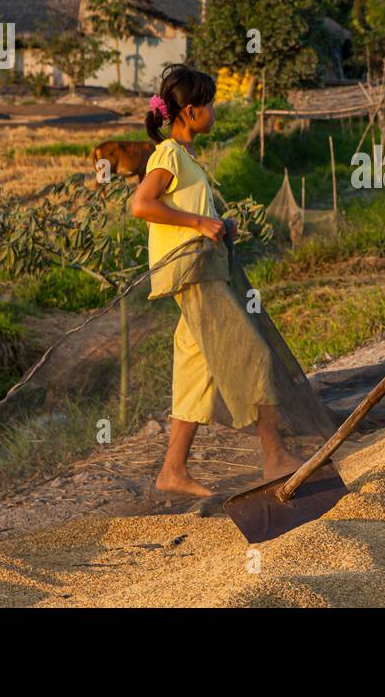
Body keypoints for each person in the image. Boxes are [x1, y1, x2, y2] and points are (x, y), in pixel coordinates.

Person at [129, 65, 304, 498]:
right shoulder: (169, 155)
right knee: (253, 354)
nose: (214, 110)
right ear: (190, 111)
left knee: (196, 371)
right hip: (193, 277)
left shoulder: (186, 158)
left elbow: (190, 216)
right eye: (208, 103)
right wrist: (197, 222)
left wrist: (218, 224)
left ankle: (172, 471)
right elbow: (141, 204)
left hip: (202, 272)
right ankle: (274, 454)